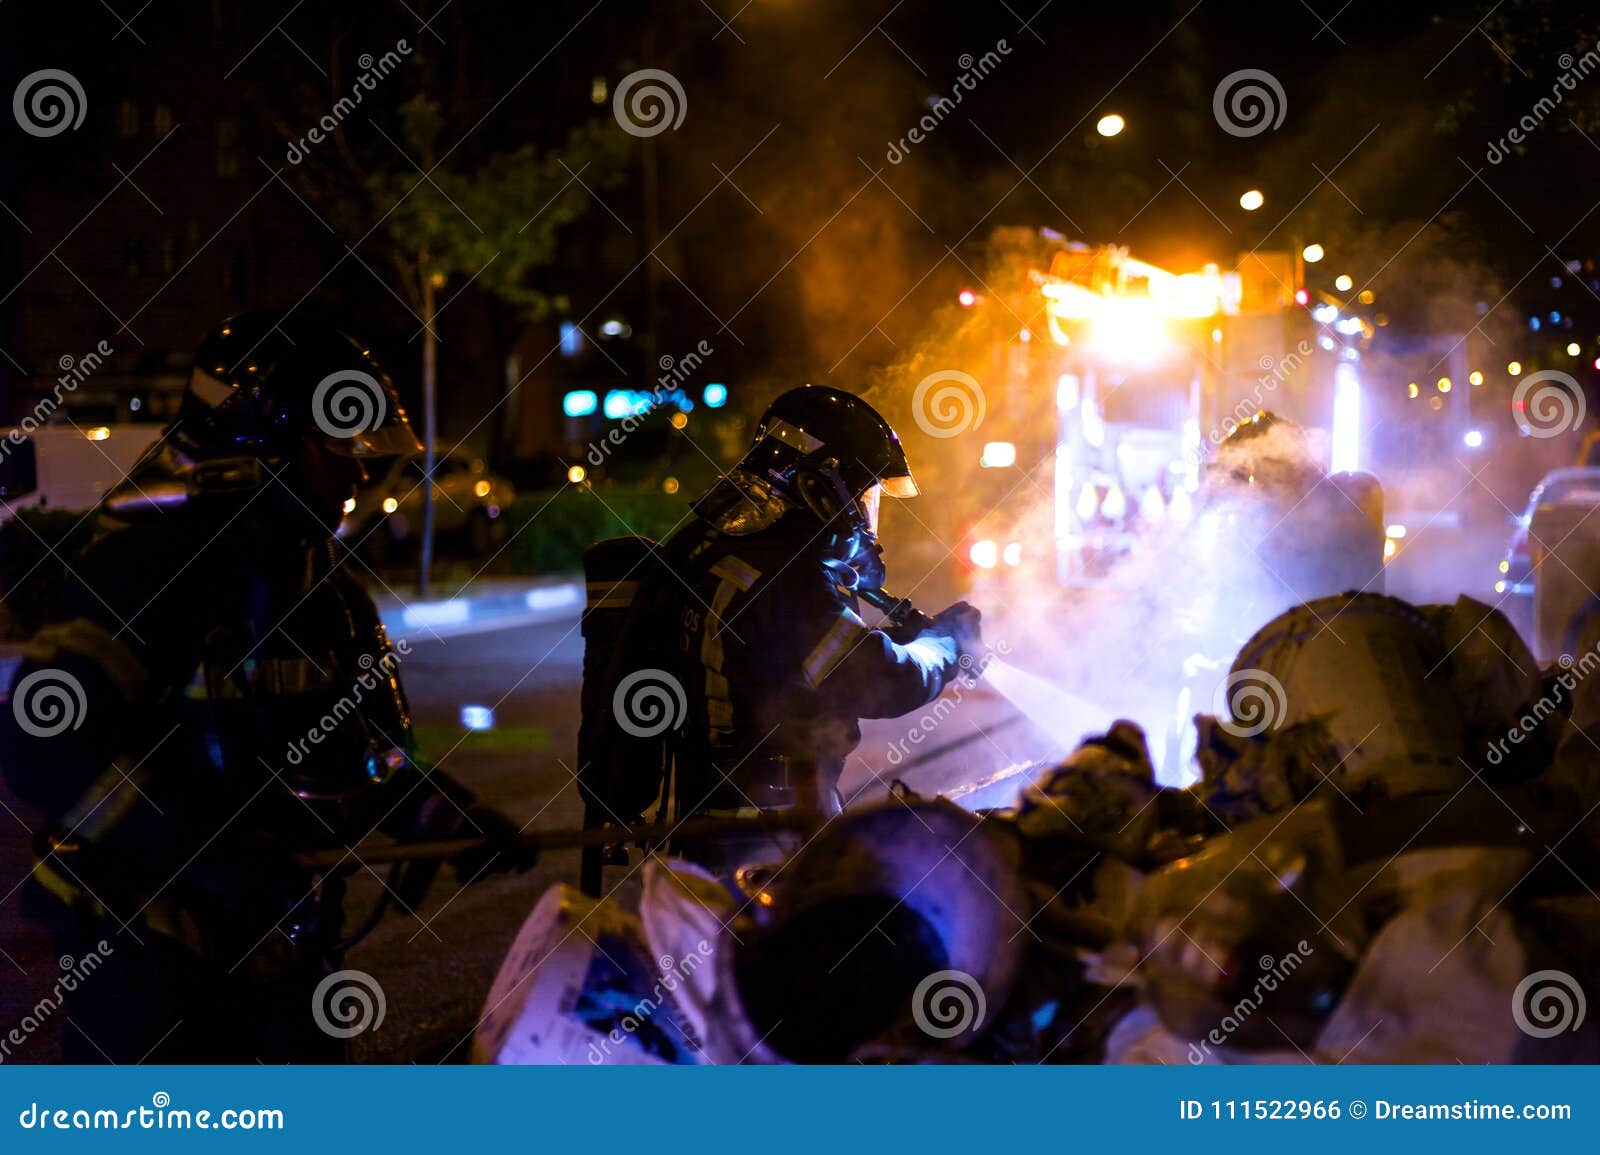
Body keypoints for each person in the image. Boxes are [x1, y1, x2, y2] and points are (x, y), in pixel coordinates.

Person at [0, 311, 530, 1062]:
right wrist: (203, 854)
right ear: (267, 445)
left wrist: (446, 816)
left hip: (287, 958)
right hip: (146, 965)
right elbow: (42, 749)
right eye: (339, 448)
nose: (358, 475)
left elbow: (369, 754)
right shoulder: (142, 569)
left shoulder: (333, 597)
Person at [579, 385, 981, 877]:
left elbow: (789, 658)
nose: (864, 516)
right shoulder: (787, 578)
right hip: (773, 837)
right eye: (863, 495)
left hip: (709, 826)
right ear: (821, 485)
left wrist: (907, 637)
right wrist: (948, 642)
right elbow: (883, 679)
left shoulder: (712, 548)